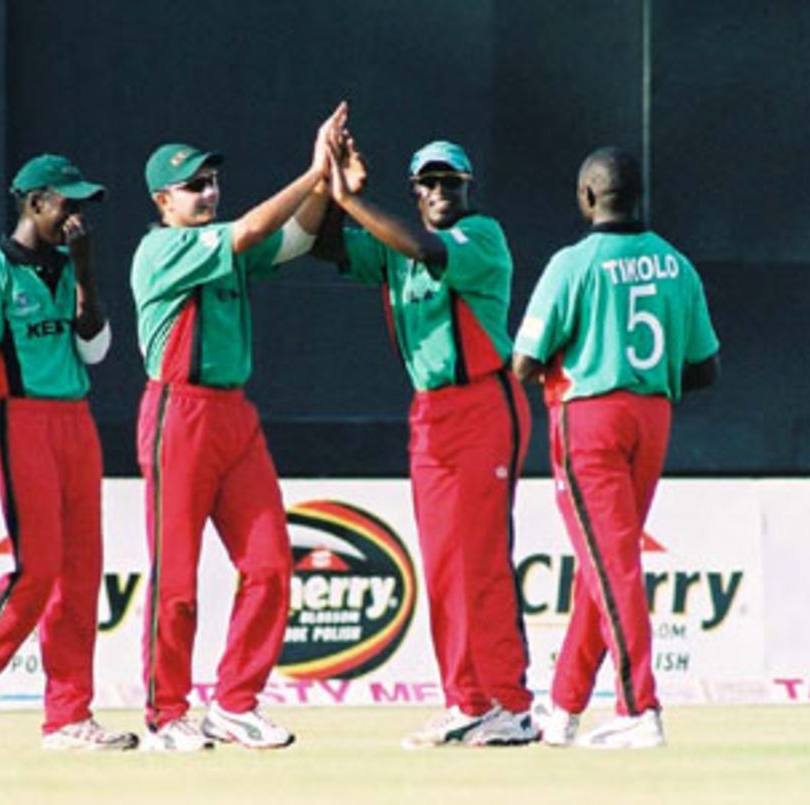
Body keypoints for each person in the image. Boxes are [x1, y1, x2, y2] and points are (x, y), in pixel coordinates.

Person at [130, 102, 347, 751]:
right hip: (179, 412)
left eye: (212, 181)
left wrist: (326, 180)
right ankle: (168, 712)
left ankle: (234, 703)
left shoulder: (221, 244)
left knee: (270, 563)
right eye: (194, 185)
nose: (208, 192)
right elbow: (253, 229)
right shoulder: (161, 247)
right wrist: (310, 170)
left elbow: (301, 237)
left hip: (233, 415)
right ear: (163, 199)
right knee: (178, 580)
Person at [315, 138, 538, 747]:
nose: (441, 193)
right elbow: (325, 243)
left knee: (483, 559)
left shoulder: (481, 235)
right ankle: (466, 700)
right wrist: (336, 186)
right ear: (413, 190)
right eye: (429, 183)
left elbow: (424, 247)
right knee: (444, 565)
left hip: (484, 404)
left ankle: (512, 706)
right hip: (430, 413)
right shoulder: (390, 249)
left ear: (468, 187)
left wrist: (346, 198)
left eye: (451, 182)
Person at [512, 146, 720, 749]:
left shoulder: (573, 264)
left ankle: (638, 707)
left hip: (590, 420)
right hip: (652, 418)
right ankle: (563, 707)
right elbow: (705, 369)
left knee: (612, 567)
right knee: (603, 566)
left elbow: (524, 362)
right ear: (638, 197)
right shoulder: (676, 265)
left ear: (586, 197)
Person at [0, 154, 137, 751]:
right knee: (38, 568)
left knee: (81, 575)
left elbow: (95, 351)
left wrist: (87, 270)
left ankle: (69, 717)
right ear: (35, 202)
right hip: (18, 421)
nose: (76, 215)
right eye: (68, 203)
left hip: (76, 420)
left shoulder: (73, 265)